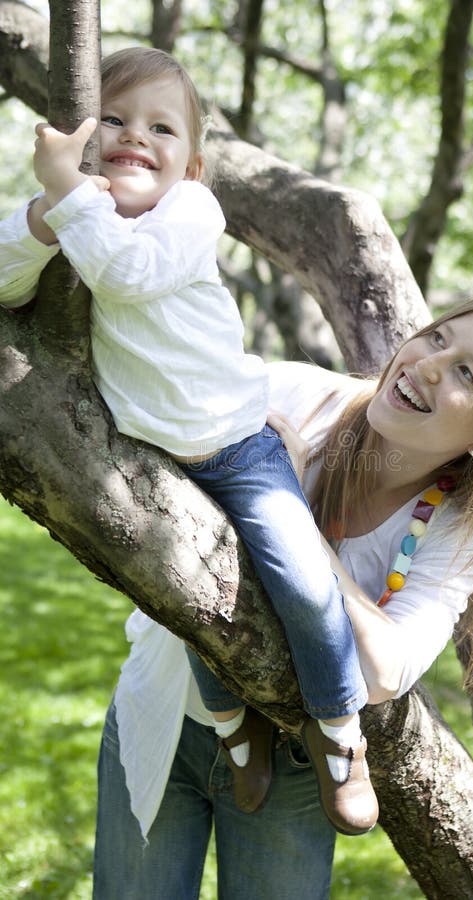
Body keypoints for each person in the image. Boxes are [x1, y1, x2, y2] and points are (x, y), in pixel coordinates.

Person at [0, 55, 473, 900]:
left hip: (303, 757)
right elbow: (163, 374)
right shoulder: (286, 398)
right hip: (163, 709)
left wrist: (291, 532)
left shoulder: (459, 525)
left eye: (466, 379)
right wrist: (56, 211)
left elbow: (385, 669)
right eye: (438, 340)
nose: (424, 366)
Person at [0, 46, 380, 837]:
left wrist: (69, 195)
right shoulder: (81, 217)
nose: (135, 136)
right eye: (113, 118)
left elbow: (127, 274)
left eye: (160, 127)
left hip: (239, 447)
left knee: (304, 581)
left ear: (193, 165)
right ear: (78, 135)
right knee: (192, 602)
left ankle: (341, 735)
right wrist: (44, 213)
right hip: (152, 460)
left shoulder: (190, 213)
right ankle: (235, 730)